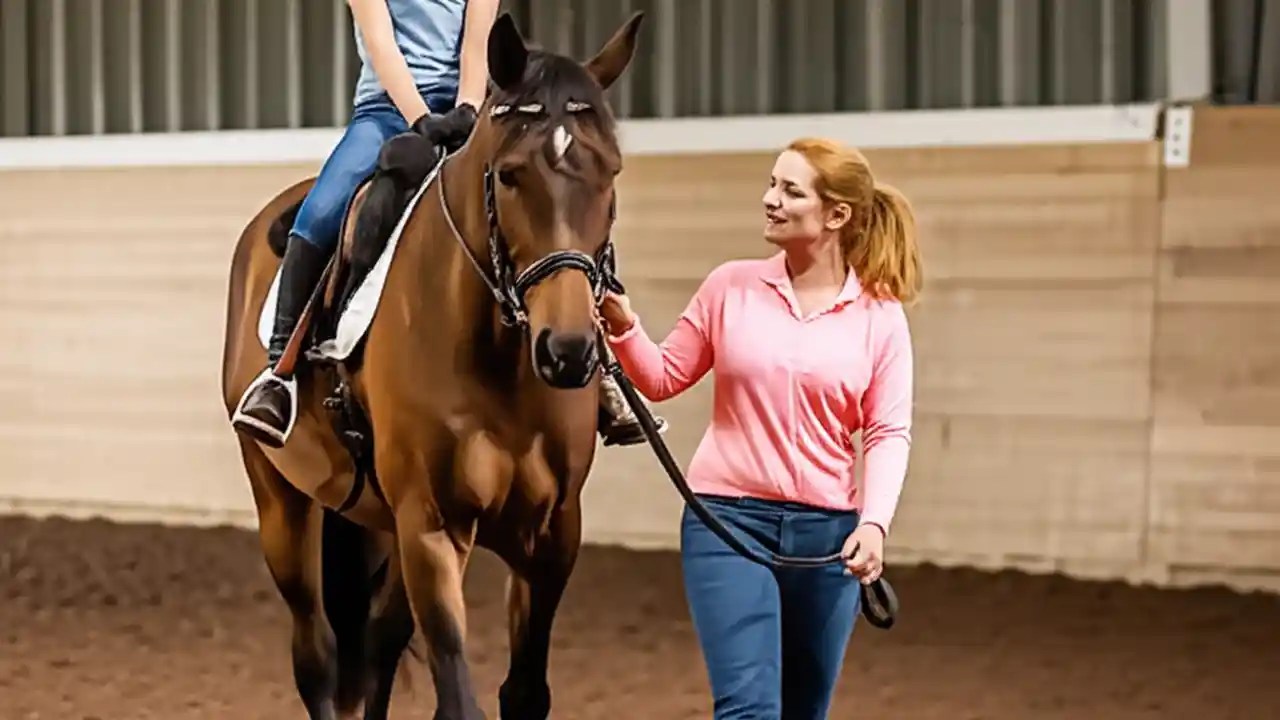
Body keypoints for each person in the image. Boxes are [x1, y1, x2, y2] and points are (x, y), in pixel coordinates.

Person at [233, 0, 662, 449]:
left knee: (553, 192)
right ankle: (279, 372)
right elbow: (382, 47)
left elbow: (476, 47)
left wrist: (466, 111)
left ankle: (604, 374)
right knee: (320, 213)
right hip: (386, 112)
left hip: (473, 112)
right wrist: (421, 119)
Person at [597, 137, 922, 718]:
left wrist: (873, 526)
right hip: (728, 523)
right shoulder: (730, 286)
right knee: (748, 709)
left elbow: (886, 431)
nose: (770, 199)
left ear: (837, 214)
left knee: (804, 711)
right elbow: (665, 376)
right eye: (772, 184)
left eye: (790, 190)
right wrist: (625, 328)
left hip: (829, 541)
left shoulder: (880, 316)